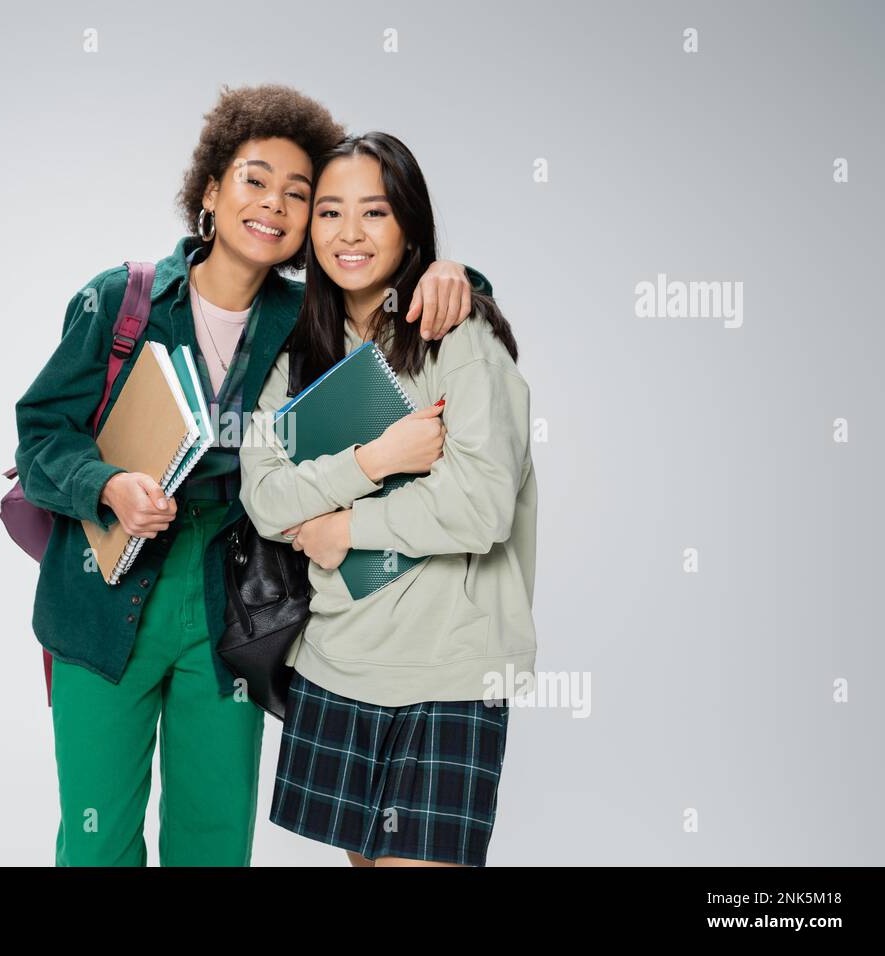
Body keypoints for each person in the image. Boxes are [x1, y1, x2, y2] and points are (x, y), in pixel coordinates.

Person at [14, 88, 494, 867]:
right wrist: (106, 486)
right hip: (103, 593)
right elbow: (40, 435)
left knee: (214, 840)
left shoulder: (311, 320)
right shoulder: (120, 300)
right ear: (209, 191)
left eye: (299, 194)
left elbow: (402, 295)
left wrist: (454, 274)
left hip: (234, 597)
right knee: (96, 844)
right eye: (255, 180)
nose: (275, 204)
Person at [238, 131, 536, 867]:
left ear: (409, 225)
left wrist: (347, 527)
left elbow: (481, 507)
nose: (349, 234)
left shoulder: (459, 337)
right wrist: (376, 459)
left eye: (373, 212)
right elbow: (267, 498)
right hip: (339, 661)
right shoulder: (300, 353)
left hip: (451, 672)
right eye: (330, 212)